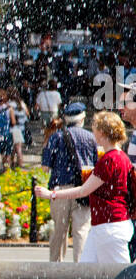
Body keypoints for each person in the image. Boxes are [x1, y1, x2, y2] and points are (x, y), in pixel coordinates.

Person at [36, 111, 134, 265]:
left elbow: (83, 190)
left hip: (109, 226)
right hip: (106, 225)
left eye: (94, 128)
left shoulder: (109, 160)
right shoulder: (122, 157)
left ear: (101, 132)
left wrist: (51, 194)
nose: (92, 132)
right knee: (85, 273)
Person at [40, 102, 97, 262]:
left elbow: (45, 167)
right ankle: (80, 268)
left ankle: (56, 268)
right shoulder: (90, 138)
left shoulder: (56, 137)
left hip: (60, 190)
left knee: (59, 230)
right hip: (84, 189)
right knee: (81, 231)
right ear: (83, 118)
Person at [0, 89, 15, 174]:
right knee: (7, 154)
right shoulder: (9, 108)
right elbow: (13, 122)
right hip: (6, 133)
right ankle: (6, 172)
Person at [8, 87, 30, 168]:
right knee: (17, 148)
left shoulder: (9, 104)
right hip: (22, 128)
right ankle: (17, 165)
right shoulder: (21, 103)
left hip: (14, 128)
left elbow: (11, 118)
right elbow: (27, 114)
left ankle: (17, 166)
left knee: (15, 149)